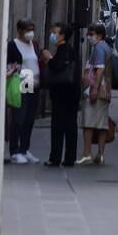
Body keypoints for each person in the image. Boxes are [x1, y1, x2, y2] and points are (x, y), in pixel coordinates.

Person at [41, 22, 79, 168]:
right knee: (70, 127)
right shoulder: (71, 50)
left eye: (55, 32)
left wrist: (48, 59)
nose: (53, 35)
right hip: (72, 93)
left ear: (62, 35)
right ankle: (70, 158)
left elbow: (57, 66)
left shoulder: (62, 49)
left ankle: (55, 157)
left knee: (58, 127)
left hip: (62, 93)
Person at [6, 19, 42, 163]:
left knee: (29, 118)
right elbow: (10, 65)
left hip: (35, 81)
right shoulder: (13, 45)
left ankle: (24, 148)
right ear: (20, 30)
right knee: (19, 117)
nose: (30, 33)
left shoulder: (34, 45)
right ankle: (14, 150)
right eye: (27, 30)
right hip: (23, 80)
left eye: (32, 29)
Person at [79, 22, 113, 165]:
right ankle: (100, 153)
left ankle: (87, 153)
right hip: (105, 90)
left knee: (89, 123)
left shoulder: (98, 48)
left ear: (99, 36)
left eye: (91, 34)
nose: (88, 37)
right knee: (101, 123)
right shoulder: (105, 47)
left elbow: (99, 69)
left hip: (97, 89)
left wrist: (93, 88)